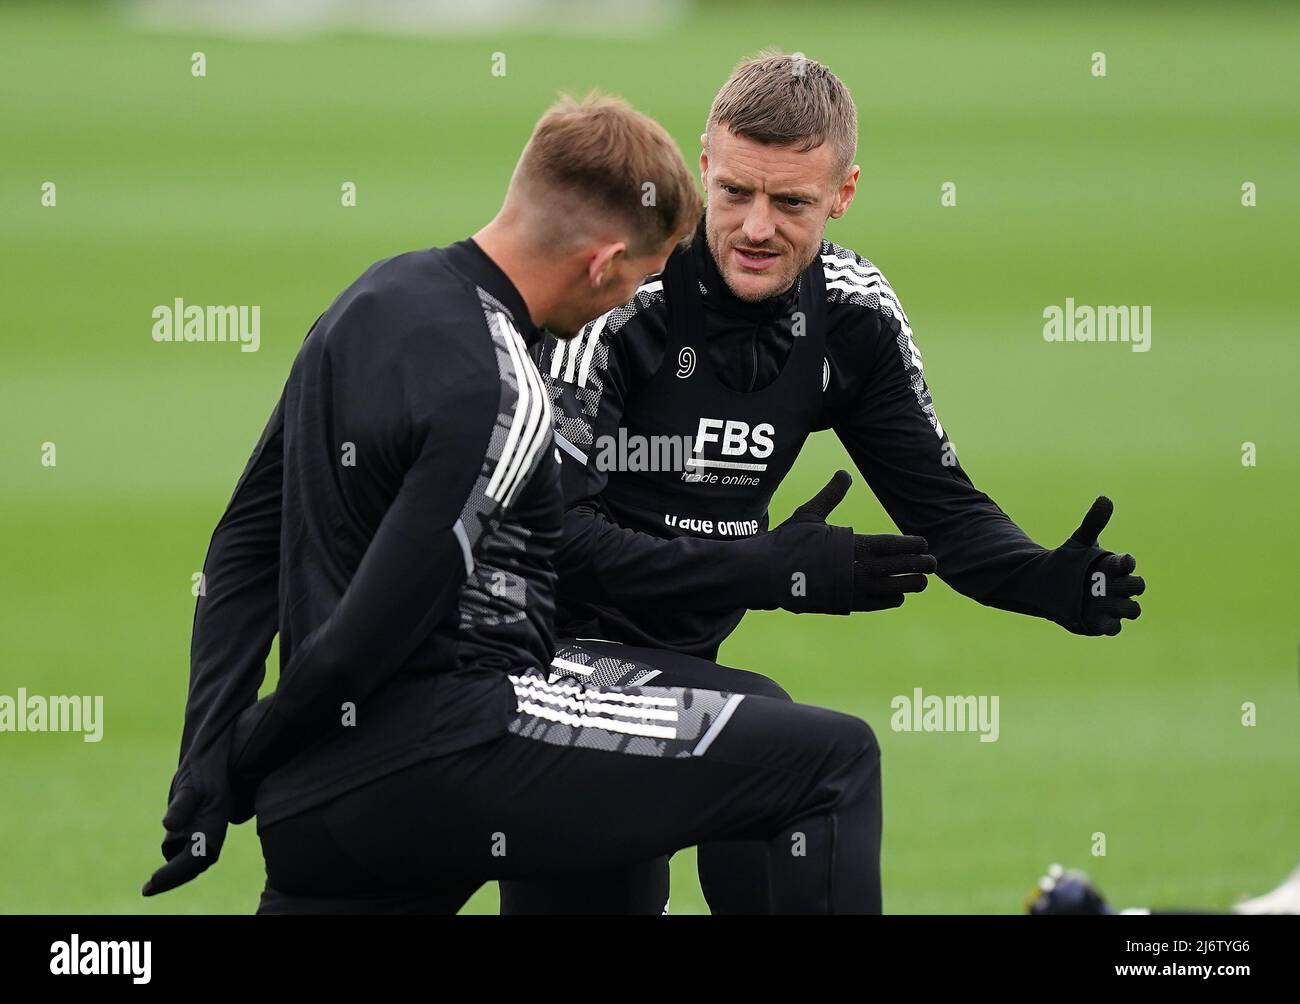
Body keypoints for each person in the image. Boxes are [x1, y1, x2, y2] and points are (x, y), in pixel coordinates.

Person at [142, 93, 885, 914]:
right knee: (832, 760)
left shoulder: (363, 304)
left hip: (325, 816)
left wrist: (202, 761)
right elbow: (374, 631)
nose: (625, 306)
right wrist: (248, 754)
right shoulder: (508, 390)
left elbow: (243, 545)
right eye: (638, 280)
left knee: (620, 822)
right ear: (603, 264)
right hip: (453, 753)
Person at [506, 52, 1145, 914]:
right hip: (542, 663)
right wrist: (766, 569)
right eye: (734, 193)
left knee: (777, 781)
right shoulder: (621, 292)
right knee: (793, 759)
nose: (756, 226)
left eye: (792, 202)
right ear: (703, 166)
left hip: (681, 666)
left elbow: (941, 506)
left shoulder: (854, 312)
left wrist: (1039, 579)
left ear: (842, 195)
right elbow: (556, 543)